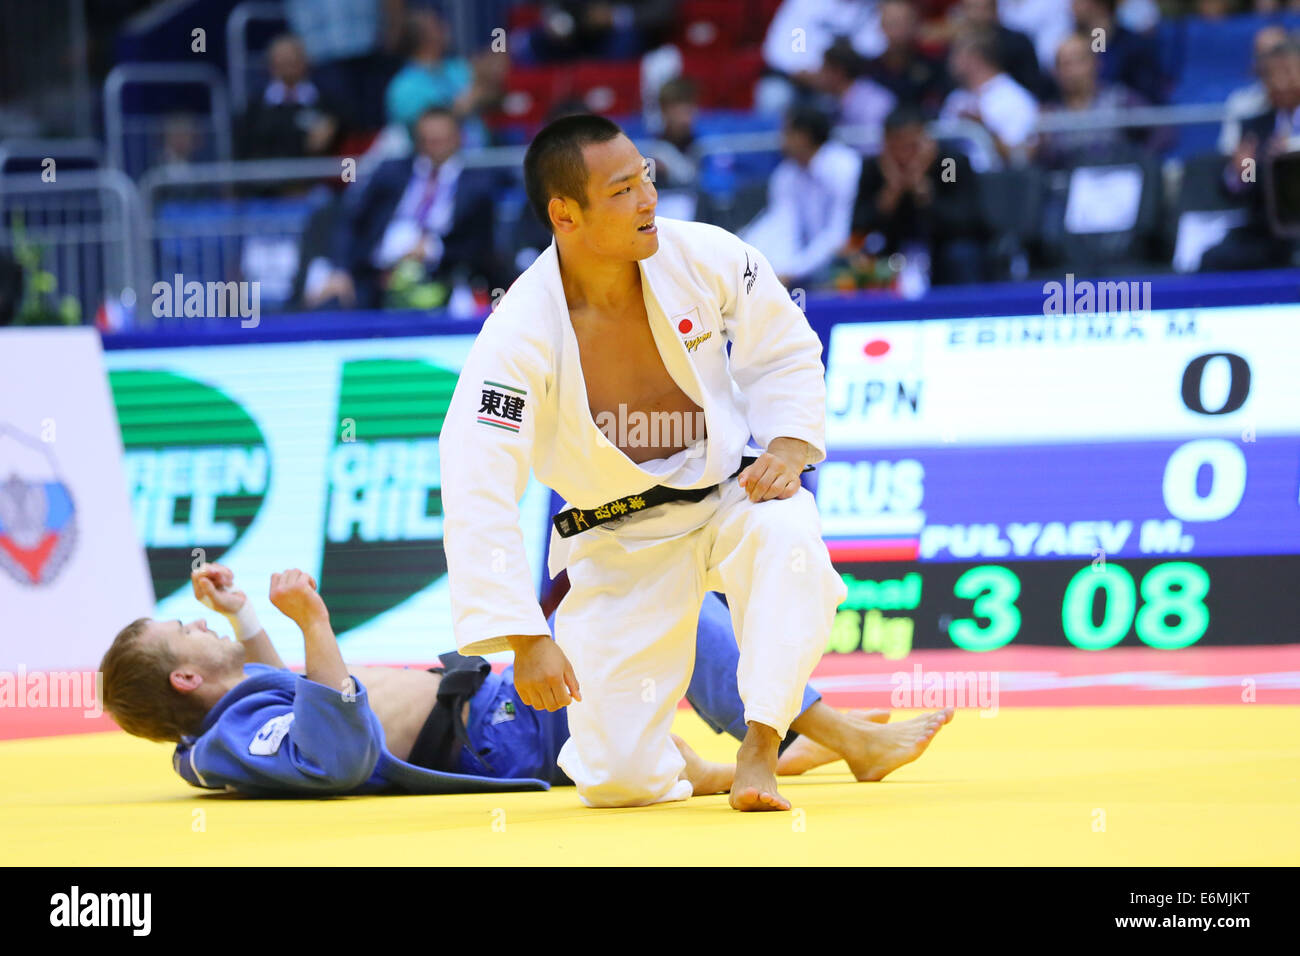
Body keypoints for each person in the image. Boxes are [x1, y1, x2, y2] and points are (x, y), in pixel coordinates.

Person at [439, 113, 858, 812]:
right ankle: (692, 766)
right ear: (564, 214)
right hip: (618, 541)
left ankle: (761, 747)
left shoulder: (705, 255)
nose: (648, 200)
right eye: (623, 190)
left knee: (790, 537)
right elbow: (478, 482)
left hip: (730, 497)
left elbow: (783, 344)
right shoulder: (517, 335)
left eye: (647, 179)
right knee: (617, 782)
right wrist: (524, 634)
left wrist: (787, 444)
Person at [100, 563, 953, 797]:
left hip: (501, 711)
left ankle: (808, 744)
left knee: (682, 759)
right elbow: (330, 754)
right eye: (188, 627)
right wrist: (314, 623)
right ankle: (845, 740)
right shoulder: (226, 745)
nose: (201, 621)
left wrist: (248, 613)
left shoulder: (230, 729)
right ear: (182, 677)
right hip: (500, 730)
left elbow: (281, 697)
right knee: (673, 612)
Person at [329, 107, 501, 309]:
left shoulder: (477, 185)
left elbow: (480, 246)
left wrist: (432, 248)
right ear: (418, 141)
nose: (434, 146)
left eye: (441, 139)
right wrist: (341, 269)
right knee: (332, 303)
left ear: (457, 139)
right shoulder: (390, 173)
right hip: (375, 277)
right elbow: (353, 220)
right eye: (428, 140)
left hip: (442, 278)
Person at [849, 104, 988, 284]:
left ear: (926, 141)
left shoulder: (949, 163)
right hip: (893, 249)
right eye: (896, 148)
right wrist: (890, 194)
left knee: (961, 252)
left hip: (941, 244)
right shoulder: (874, 168)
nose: (904, 155)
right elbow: (858, 224)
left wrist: (924, 194)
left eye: (911, 147)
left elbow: (964, 219)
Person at [1200, 39, 1300, 272]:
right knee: (1214, 259)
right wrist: (1243, 172)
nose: (1279, 82)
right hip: (1270, 236)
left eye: (1287, 72)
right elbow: (1234, 191)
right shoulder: (1255, 128)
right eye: (1270, 75)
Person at [741, 106, 864, 286]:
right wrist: (748, 260)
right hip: (807, 262)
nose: (781, 140)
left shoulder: (844, 165)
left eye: (787, 133)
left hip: (849, 256)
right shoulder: (785, 174)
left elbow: (838, 234)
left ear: (804, 136)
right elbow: (780, 225)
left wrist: (793, 270)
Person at [1037, 31, 1154, 169]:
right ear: (1055, 72)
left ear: (1096, 63)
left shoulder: (1120, 99)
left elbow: (1160, 128)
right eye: (1064, 64)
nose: (1071, 71)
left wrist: (1141, 162)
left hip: (1119, 180)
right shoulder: (1050, 115)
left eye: (1078, 62)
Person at [940, 27, 1039, 171]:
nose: (950, 61)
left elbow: (1021, 158)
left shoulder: (1015, 98)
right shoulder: (955, 98)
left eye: (956, 53)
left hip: (999, 186)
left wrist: (983, 127)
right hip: (957, 184)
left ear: (975, 57)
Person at [239, 34, 343, 160]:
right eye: (282, 59)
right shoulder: (255, 107)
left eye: (293, 58)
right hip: (267, 176)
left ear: (305, 61)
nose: (288, 63)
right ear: (270, 64)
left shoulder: (328, 102)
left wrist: (333, 126)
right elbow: (243, 150)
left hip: (316, 175)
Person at [864, 0, 950, 115]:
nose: (898, 32)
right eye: (892, 24)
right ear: (881, 27)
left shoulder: (936, 64)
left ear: (915, 25)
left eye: (904, 23)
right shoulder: (869, 70)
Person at [1219, 25, 1289, 155]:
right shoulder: (1243, 108)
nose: (1270, 63)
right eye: (1263, 55)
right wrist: (1247, 163)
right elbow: (1238, 161)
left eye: (1277, 54)